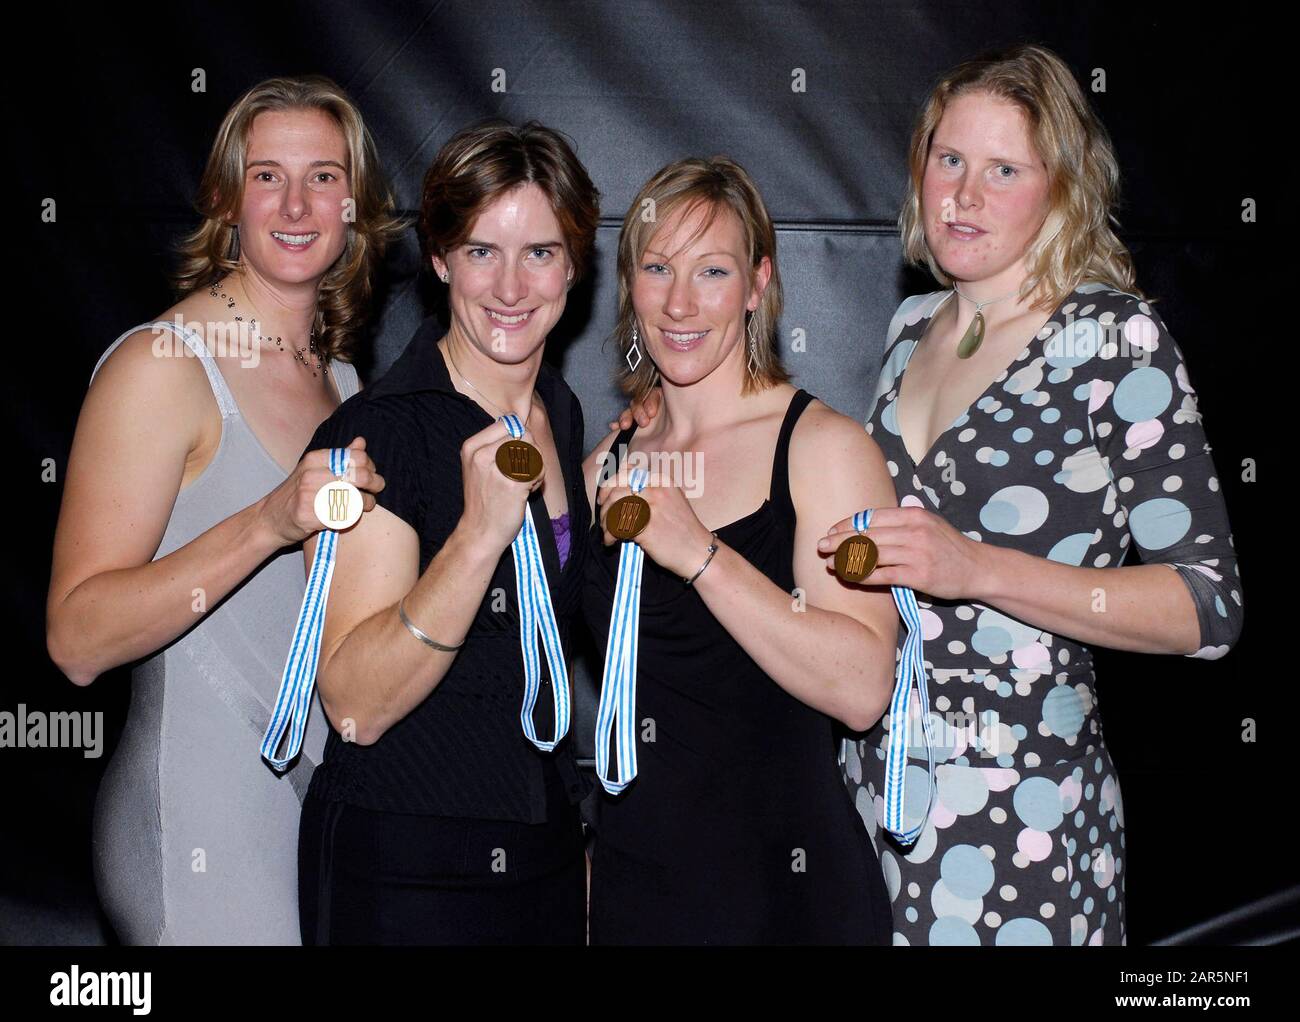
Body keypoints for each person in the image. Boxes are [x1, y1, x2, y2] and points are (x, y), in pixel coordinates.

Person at [821, 43, 1243, 945]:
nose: (963, 194)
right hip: (878, 791)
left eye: (1004, 169)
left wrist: (976, 567)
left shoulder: (1112, 338)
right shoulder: (908, 330)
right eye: (950, 159)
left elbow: (1208, 607)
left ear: (1062, 189)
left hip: (1027, 811)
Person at [46, 75, 398, 944]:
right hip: (199, 818)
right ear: (225, 198)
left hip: (319, 815)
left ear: (355, 205)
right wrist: (269, 522)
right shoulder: (160, 367)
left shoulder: (345, 382)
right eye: (267, 174)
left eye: (323, 176)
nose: (295, 202)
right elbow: (77, 641)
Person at [295, 119, 600, 945]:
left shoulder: (559, 418)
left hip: (535, 852)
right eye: (479, 251)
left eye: (539, 251)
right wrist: (474, 540)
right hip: (405, 864)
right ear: (438, 260)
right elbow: (353, 703)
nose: (510, 286)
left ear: (574, 263)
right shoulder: (377, 433)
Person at [582, 156, 897, 945]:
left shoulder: (822, 447)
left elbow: (863, 688)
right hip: (637, 896)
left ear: (758, 284)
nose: (680, 302)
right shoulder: (608, 460)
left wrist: (701, 556)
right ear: (630, 283)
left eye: (712, 271)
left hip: (783, 896)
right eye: (657, 268)